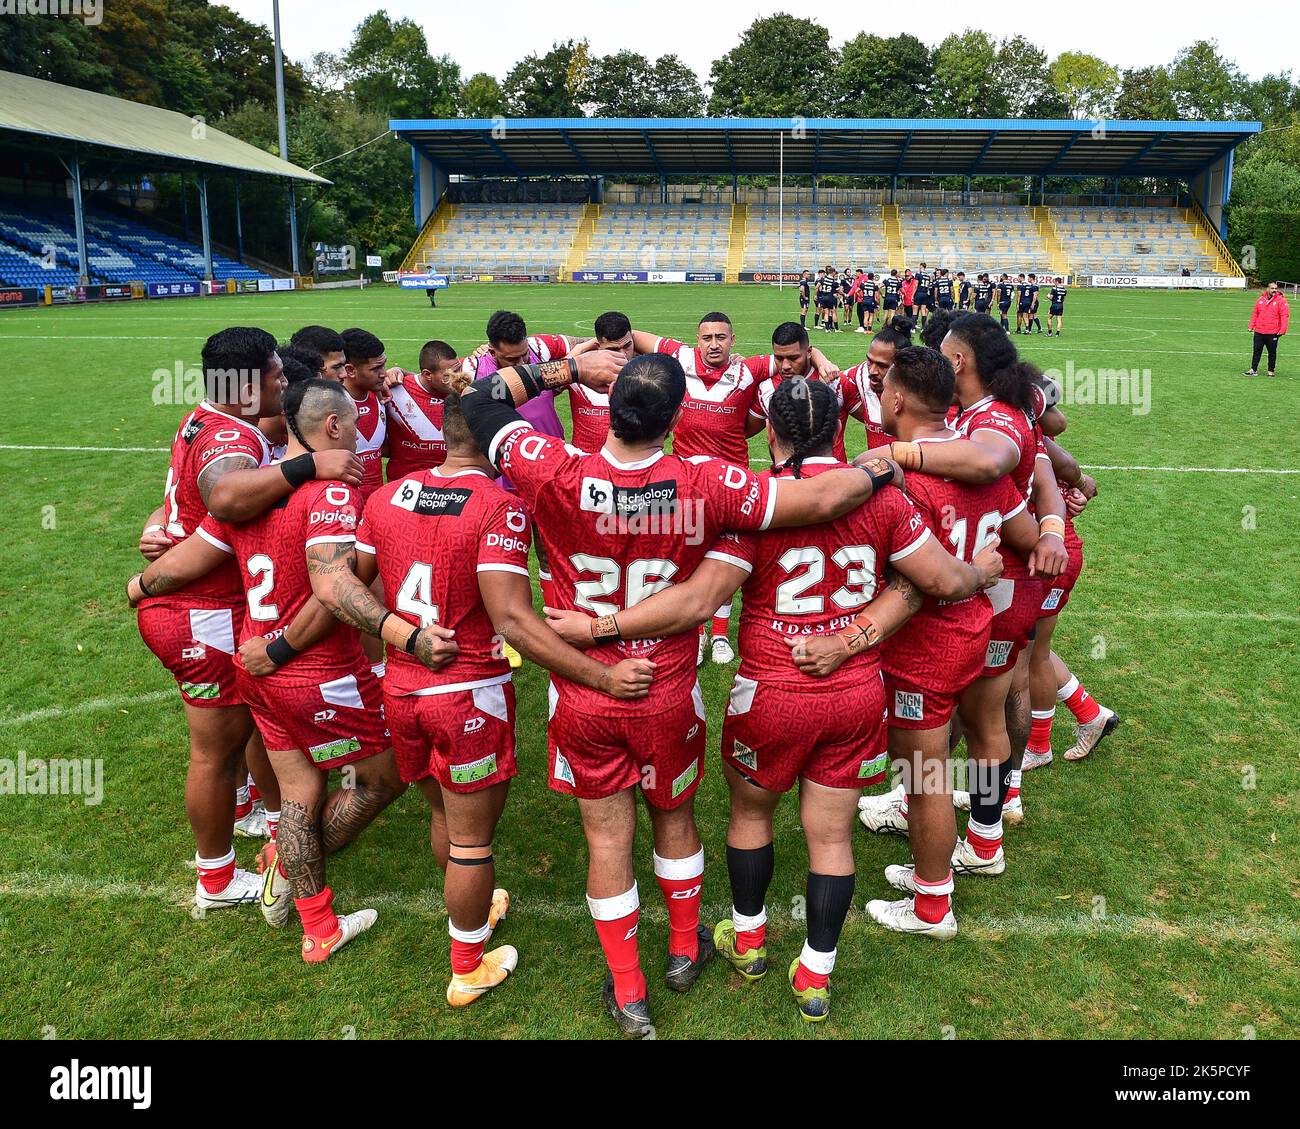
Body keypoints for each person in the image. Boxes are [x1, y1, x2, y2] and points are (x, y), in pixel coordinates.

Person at [458, 347, 906, 1037]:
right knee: (675, 816)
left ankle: (631, 989)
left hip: (586, 690)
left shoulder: (549, 465)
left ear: (610, 406)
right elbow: (824, 495)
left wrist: (570, 369)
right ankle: (683, 946)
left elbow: (479, 399)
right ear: (676, 418)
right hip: (667, 686)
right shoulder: (706, 480)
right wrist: (883, 462)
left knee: (608, 840)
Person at [548, 378, 1001, 1018]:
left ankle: (750, 938)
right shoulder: (885, 499)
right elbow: (938, 582)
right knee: (832, 837)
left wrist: (600, 627)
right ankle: (815, 975)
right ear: (838, 427)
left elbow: (701, 600)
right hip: (852, 693)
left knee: (751, 814)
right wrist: (974, 575)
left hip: (769, 689)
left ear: (774, 431)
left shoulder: (753, 509)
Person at [356, 389, 655, 1004]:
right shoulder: (500, 507)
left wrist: (401, 634)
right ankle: (466, 963)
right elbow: (516, 624)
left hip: (401, 683)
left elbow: (354, 586)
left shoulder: (385, 495)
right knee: (471, 842)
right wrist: (599, 675)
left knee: (443, 815)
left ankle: (473, 909)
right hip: (465, 695)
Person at [129, 380, 434, 958]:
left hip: (252, 662)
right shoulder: (332, 495)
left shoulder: (252, 488)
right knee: (385, 777)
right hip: (313, 666)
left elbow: (196, 549)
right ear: (335, 429)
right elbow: (333, 592)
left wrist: (142, 585)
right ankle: (287, 861)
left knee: (297, 792)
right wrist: (404, 635)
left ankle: (319, 926)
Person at [134, 328, 362, 910]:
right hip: (198, 611)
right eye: (275, 375)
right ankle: (216, 879)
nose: (283, 384)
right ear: (241, 383)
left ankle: (250, 813)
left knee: (250, 730)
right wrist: (309, 466)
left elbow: (184, 497)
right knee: (214, 749)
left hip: (194, 602)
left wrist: (160, 523)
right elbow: (226, 496)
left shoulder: (200, 418)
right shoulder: (231, 437)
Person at [385, 339, 458, 478]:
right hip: (405, 486)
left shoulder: (464, 390)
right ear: (427, 375)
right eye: (448, 376)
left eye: (458, 369)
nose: (456, 377)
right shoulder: (395, 390)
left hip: (451, 486)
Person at [568, 311, 635, 452]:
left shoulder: (644, 373)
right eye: (613, 349)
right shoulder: (580, 371)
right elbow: (548, 389)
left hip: (627, 466)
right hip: (585, 464)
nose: (622, 355)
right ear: (598, 346)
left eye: (627, 346)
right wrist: (580, 348)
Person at [1244, 281, 1289, 378]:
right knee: (1256, 351)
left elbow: (1284, 316)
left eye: (1276, 288)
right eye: (1272, 288)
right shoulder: (1260, 299)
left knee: (1272, 352)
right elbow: (1255, 313)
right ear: (1267, 289)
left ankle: (1271, 370)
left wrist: (1283, 329)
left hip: (1273, 332)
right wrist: (1251, 325)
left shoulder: (1281, 300)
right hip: (1259, 331)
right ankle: (1253, 369)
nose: (1274, 290)